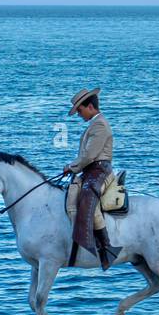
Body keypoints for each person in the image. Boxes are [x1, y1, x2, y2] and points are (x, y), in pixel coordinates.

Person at [63, 88, 121, 270]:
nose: (79, 115)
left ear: (90, 107)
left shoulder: (100, 125)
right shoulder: (94, 125)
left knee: (89, 198)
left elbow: (90, 155)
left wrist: (72, 167)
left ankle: (107, 247)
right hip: (91, 171)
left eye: (80, 111)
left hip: (100, 171)